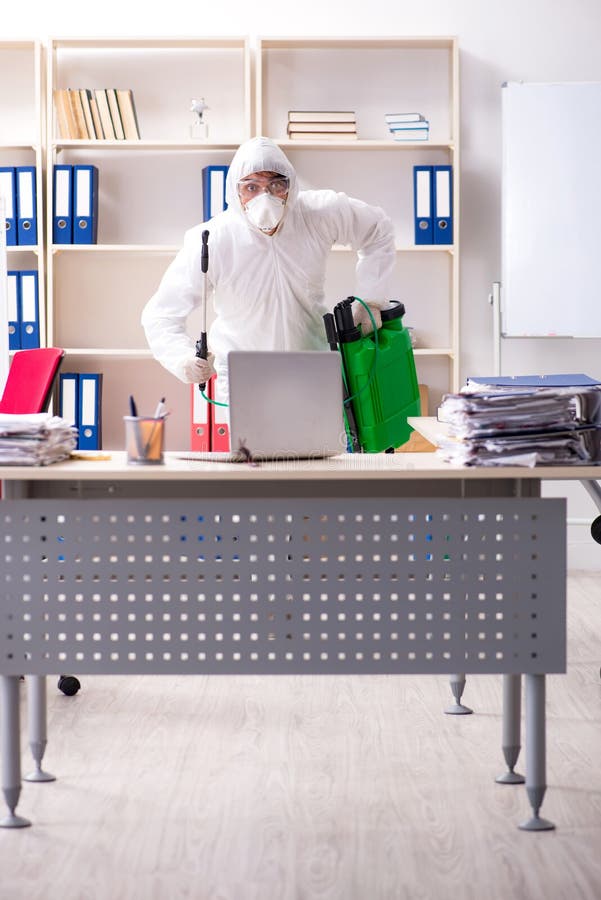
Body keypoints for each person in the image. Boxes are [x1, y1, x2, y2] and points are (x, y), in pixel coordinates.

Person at [141, 136, 396, 402]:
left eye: (276, 184)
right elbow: (161, 315)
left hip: (313, 365)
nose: (265, 197)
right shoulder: (213, 239)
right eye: (251, 187)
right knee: (251, 445)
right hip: (245, 377)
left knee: (320, 444)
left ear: (291, 186)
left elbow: (378, 230)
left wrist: (372, 299)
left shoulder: (318, 214)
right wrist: (182, 359)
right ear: (235, 191)